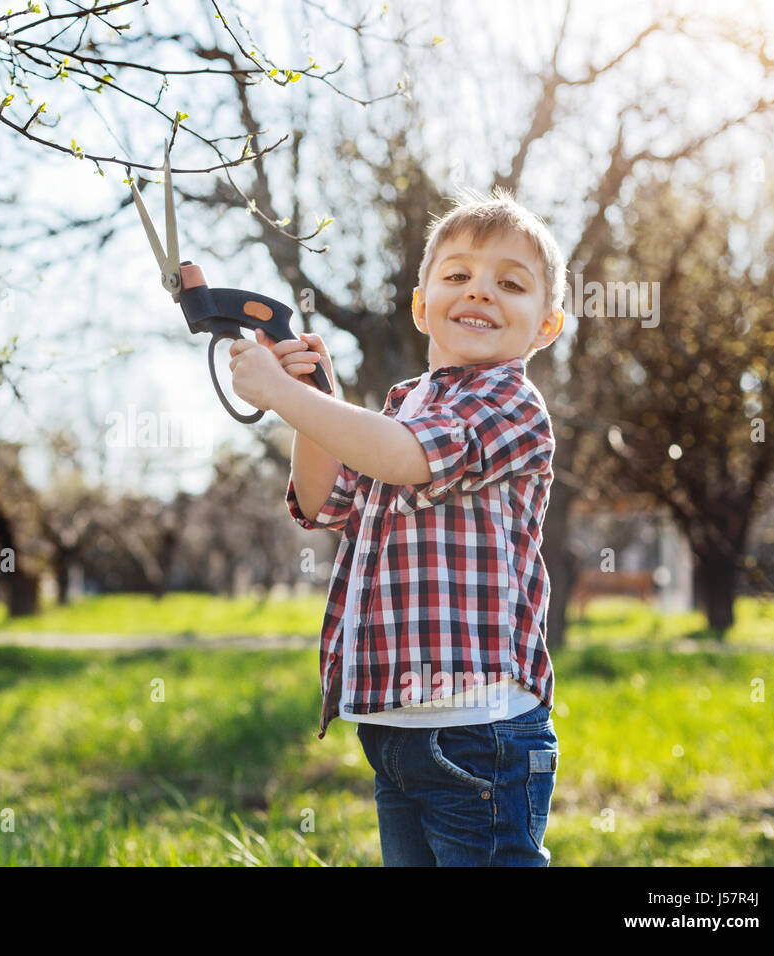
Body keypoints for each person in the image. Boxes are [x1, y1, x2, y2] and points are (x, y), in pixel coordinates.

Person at [228, 186, 565, 866]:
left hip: (480, 728)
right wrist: (313, 403)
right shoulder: (402, 405)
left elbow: (409, 458)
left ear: (546, 326)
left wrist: (282, 394)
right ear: (421, 304)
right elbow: (326, 503)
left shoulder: (511, 401)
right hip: (396, 729)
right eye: (458, 276)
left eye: (510, 283)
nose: (481, 293)